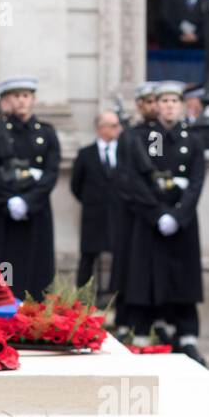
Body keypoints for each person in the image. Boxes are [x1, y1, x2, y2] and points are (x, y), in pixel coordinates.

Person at [115, 81, 207, 364]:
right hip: (150, 219)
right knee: (147, 276)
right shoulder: (142, 138)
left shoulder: (192, 139)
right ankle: (144, 333)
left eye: (174, 102)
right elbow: (133, 180)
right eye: (163, 101)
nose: (168, 106)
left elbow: (196, 181)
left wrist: (178, 214)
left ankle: (186, 336)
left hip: (182, 220)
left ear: (182, 106)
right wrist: (157, 213)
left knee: (183, 277)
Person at [0, 76, 62, 301]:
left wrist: (28, 201)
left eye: (26, 96)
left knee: (36, 267)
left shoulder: (46, 132)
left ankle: (33, 315)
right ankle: (3, 311)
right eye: (15, 96)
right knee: (4, 268)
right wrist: (8, 200)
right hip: (1, 212)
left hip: (35, 210)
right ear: (5, 100)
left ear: (33, 99)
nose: (21, 101)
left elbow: (51, 172)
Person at [70, 110, 123, 296]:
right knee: (88, 258)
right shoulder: (86, 154)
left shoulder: (125, 153)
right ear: (101, 128)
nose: (119, 129)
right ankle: (82, 300)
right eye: (114, 125)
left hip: (119, 215)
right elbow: (76, 185)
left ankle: (118, 299)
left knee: (120, 257)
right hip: (94, 217)